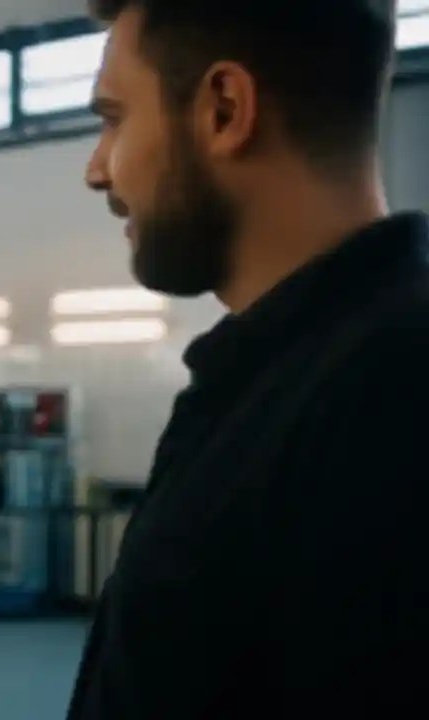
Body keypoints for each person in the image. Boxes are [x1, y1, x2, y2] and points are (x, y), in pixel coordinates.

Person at [73, 0, 428, 718]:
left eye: (114, 120)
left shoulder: (392, 399)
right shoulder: (269, 378)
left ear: (224, 110)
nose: (98, 170)